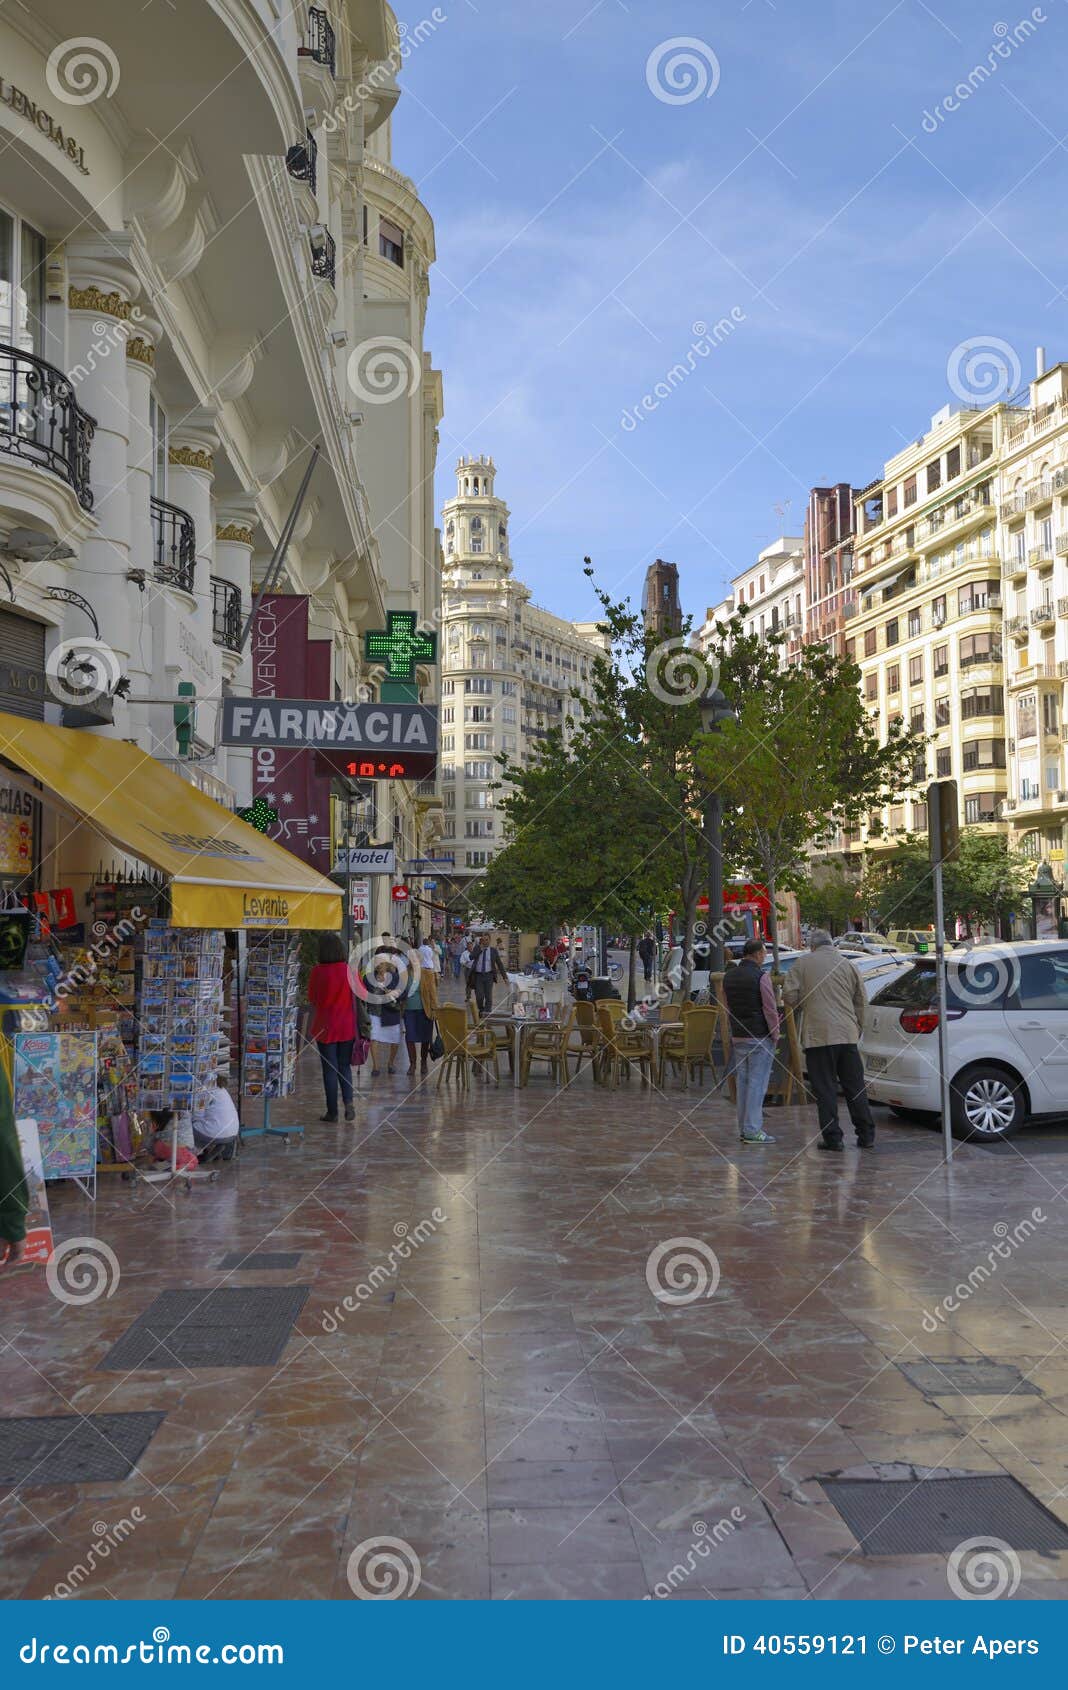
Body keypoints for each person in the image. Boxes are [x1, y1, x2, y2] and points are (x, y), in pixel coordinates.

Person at [783, 928, 876, 1152]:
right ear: (831, 944)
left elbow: (788, 996)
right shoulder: (848, 965)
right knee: (855, 1087)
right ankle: (866, 1135)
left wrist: (804, 1001)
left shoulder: (802, 964)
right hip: (847, 1035)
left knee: (825, 1090)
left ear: (812, 946)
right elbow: (861, 1001)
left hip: (818, 1037)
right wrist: (857, 1028)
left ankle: (833, 1138)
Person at [722, 938, 779, 1145]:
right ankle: (752, 1129)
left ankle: (744, 1127)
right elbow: (770, 1009)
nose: (765, 957)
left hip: (739, 1037)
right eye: (764, 953)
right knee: (757, 1084)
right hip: (759, 1036)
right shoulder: (761, 977)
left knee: (744, 1083)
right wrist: (775, 1033)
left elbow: (727, 1007)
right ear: (756, 954)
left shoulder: (728, 976)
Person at [307, 933, 357, 1122]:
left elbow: (312, 998)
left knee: (329, 1068)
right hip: (346, 1025)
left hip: (325, 1026)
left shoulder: (317, 971)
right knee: (344, 1066)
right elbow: (360, 993)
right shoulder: (348, 970)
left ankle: (332, 1111)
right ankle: (349, 1102)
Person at [403, 946, 439, 1078]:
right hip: (408, 1010)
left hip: (425, 1009)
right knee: (410, 1037)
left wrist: (435, 1009)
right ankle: (412, 1064)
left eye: (416, 958)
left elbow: (433, 993)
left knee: (425, 1037)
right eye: (411, 958)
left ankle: (423, 1062)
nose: (413, 960)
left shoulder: (427, 973)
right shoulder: (403, 973)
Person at [367, 954, 406, 1075]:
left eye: (381, 964)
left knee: (394, 1038)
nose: (379, 966)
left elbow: (404, 993)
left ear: (386, 964)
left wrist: (395, 993)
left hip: (390, 1011)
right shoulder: (369, 978)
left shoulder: (395, 977)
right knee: (374, 1037)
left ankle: (390, 1063)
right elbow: (365, 993)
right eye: (377, 964)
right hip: (375, 1011)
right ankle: (375, 1066)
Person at [192, 1076, 240, 1162]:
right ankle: (225, 1152)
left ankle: (200, 1153)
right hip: (233, 1132)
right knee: (212, 1123)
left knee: (190, 1126)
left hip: (216, 1133)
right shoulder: (222, 1091)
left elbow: (197, 1116)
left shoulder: (203, 1091)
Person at [467, 932, 508, 1015]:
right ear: (481, 940)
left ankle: (487, 1013)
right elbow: (471, 957)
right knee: (479, 995)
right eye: (483, 940)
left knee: (488, 996)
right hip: (478, 975)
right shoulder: (477, 948)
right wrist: (480, 949)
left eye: (487, 940)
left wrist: (505, 977)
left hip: (489, 975)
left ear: (490, 940)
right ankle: (481, 1009)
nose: (485, 941)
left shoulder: (493, 951)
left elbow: (499, 964)